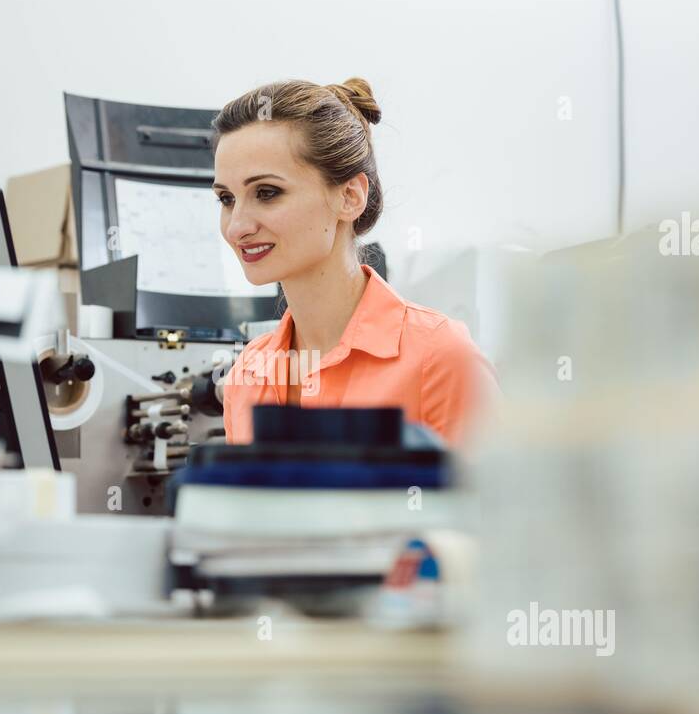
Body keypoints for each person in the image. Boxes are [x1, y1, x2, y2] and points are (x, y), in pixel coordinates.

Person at [211, 77, 499, 446]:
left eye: (267, 193)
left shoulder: (439, 358)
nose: (237, 227)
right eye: (226, 199)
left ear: (349, 197)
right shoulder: (249, 372)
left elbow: (510, 502)